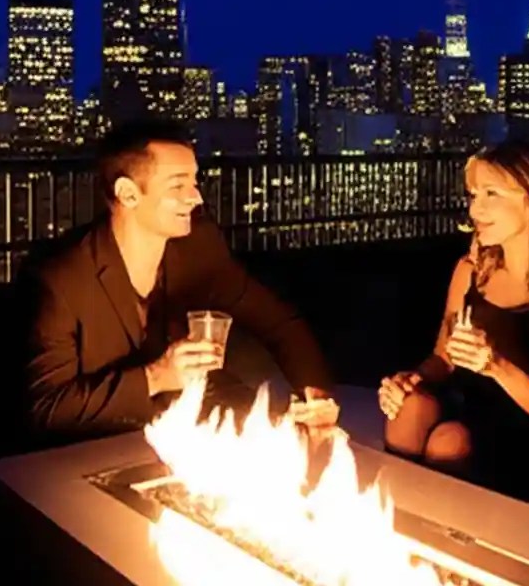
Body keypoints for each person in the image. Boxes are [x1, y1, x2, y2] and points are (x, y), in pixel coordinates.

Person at [24, 118, 337, 442]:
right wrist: (156, 377)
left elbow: (278, 322)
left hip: (190, 439)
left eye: (195, 181)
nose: (196, 198)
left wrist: (316, 395)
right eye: (178, 186)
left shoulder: (197, 249)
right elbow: (48, 410)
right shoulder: (62, 279)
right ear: (128, 194)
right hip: (86, 453)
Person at [377, 140, 529, 499]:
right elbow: (443, 359)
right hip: (468, 407)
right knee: (410, 408)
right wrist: (410, 380)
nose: (475, 208)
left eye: (490, 194)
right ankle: (395, 523)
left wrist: (495, 365)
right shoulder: (469, 271)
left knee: (449, 441)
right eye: (473, 195)